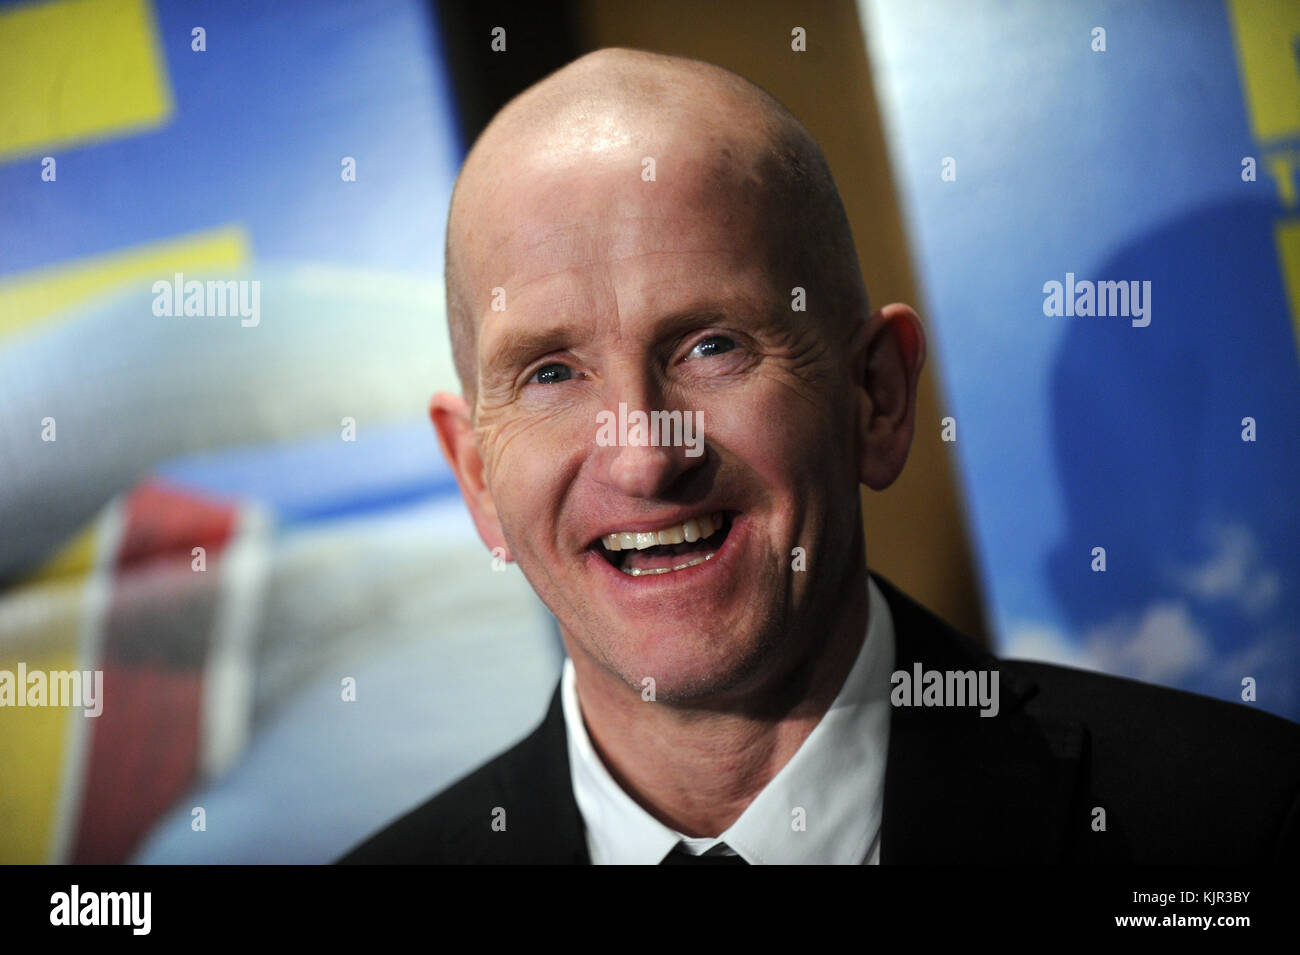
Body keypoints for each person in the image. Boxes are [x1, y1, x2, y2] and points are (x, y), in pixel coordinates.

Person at [340, 48, 1300, 864]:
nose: (642, 456)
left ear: (876, 395)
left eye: (711, 346)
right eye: (551, 374)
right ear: (476, 475)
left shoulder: (1237, 827)